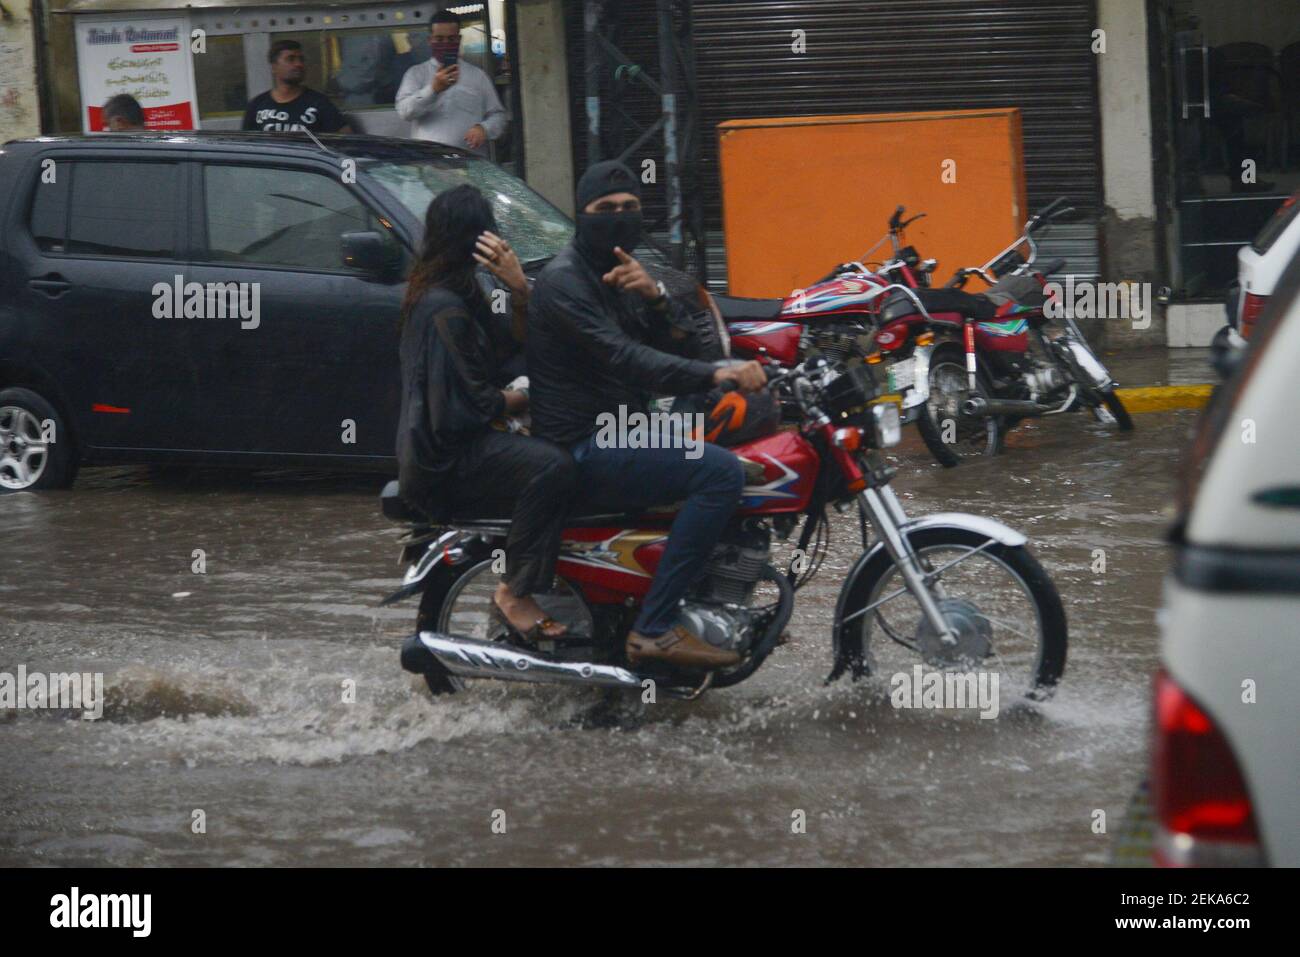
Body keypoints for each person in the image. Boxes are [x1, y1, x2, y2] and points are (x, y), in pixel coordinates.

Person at [527, 161, 767, 670]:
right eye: (606, 209)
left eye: (630, 208)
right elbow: (624, 357)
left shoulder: (621, 273)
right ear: (582, 215)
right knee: (720, 474)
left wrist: (656, 297)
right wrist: (717, 376)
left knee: (744, 459)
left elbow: (677, 344)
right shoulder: (564, 280)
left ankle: (714, 603)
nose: (619, 218)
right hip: (585, 441)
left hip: (626, 429)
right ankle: (655, 628)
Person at [397, 184, 575, 639]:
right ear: (473, 239)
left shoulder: (464, 293)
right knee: (552, 468)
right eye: (489, 231)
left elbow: (510, 346)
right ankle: (516, 590)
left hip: (461, 443)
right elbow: (467, 408)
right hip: (446, 461)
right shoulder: (441, 307)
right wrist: (524, 397)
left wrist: (518, 289)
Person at [394, 10, 507, 156]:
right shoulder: (415, 74)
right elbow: (404, 112)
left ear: (459, 40)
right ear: (430, 40)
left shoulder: (477, 76)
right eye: (439, 39)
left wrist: (484, 128)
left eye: (451, 39)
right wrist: (433, 89)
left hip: (471, 163)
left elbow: (499, 116)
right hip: (429, 162)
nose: (445, 44)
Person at [242, 40, 352, 134]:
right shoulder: (257, 105)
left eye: (301, 59)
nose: (298, 64)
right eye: (291, 59)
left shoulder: (318, 103)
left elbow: (345, 139)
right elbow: (247, 147)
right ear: (274, 67)